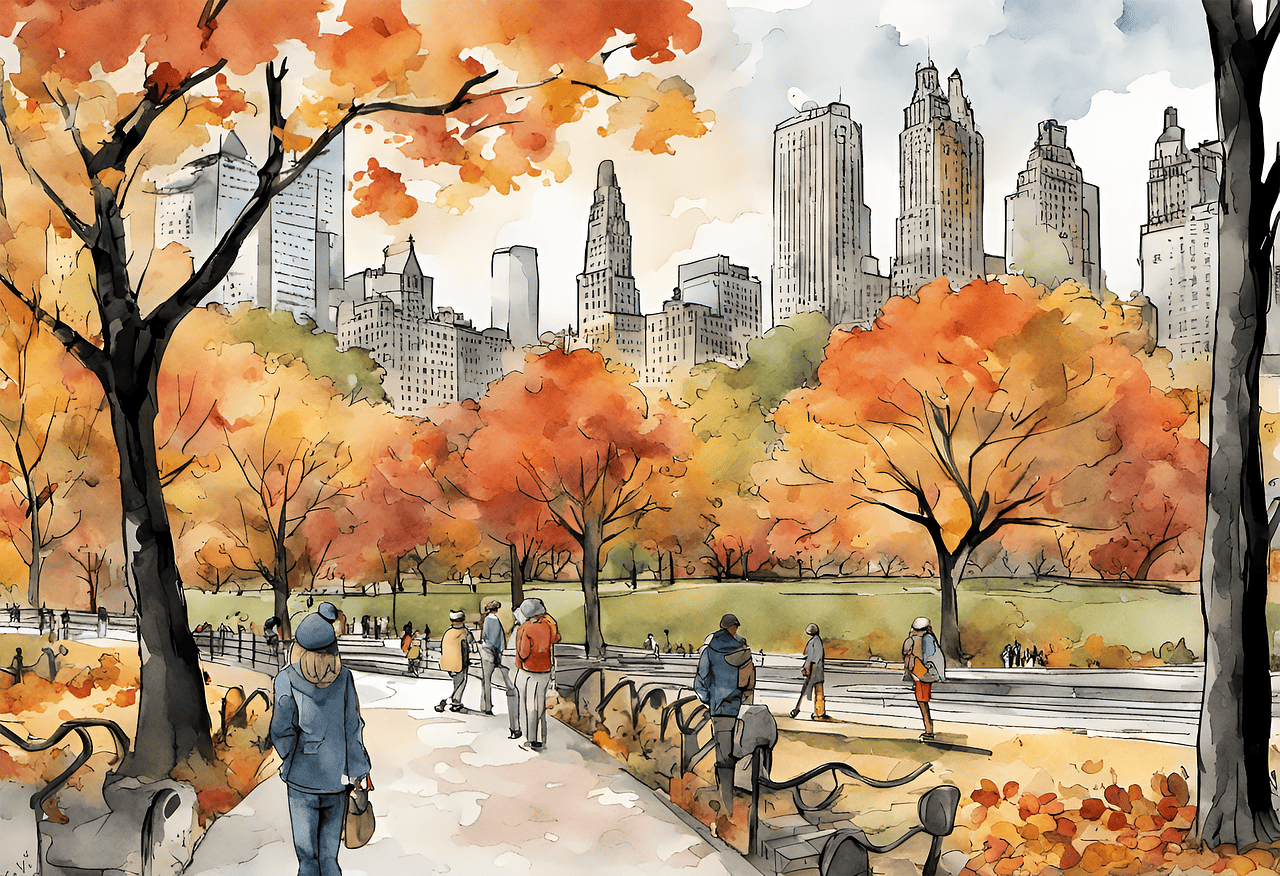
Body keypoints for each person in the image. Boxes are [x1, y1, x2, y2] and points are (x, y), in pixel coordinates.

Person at [270, 608, 372, 876]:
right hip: (336, 779)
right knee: (329, 857)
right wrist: (359, 771)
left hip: (300, 779)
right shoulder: (344, 678)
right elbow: (353, 726)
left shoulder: (286, 678)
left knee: (307, 858)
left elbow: (281, 729)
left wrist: (290, 758)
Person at [694, 613, 754, 810]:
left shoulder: (710, 651)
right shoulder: (744, 650)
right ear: (734, 627)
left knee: (723, 756)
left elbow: (700, 680)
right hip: (743, 709)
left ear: (721, 626)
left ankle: (726, 803)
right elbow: (750, 680)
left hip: (720, 709)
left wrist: (708, 699)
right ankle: (741, 798)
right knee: (743, 750)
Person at [513, 597, 560, 751]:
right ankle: (538, 738)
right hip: (544, 669)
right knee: (538, 705)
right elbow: (556, 638)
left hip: (528, 670)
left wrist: (519, 663)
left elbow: (523, 652)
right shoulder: (547, 625)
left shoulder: (525, 628)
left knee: (525, 704)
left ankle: (529, 737)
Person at [479, 599, 522, 739]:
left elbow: (484, 636)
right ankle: (488, 707)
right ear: (496, 609)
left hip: (485, 651)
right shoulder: (495, 621)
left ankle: (486, 706)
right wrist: (499, 654)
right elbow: (498, 640)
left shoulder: (486, 621)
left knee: (485, 680)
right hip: (494, 652)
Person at [903, 617, 946, 741]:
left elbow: (916, 658)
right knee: (923, 703)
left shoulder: (917, 639)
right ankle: (928, 729)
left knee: (923, 703)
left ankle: (928, 731)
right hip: (924, 674)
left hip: (921, 676)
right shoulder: (929, 638)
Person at [435, 610, 474, 712]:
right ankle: (454, 703)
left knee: (457, 682)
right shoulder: (464, 632)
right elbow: (470, 645)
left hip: (447, 662)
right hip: (459, 663)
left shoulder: (448, 632)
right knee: (461, 682)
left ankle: (453, 701)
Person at [792, 622, 828, 720]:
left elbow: (810, 658)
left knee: (809, 691)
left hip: (813, 669)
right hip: (818, 670)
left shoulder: (812, 642)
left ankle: (816, 713)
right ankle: (819, 713)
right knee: (819, 692)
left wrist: (806, 668)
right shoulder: (819, 641)